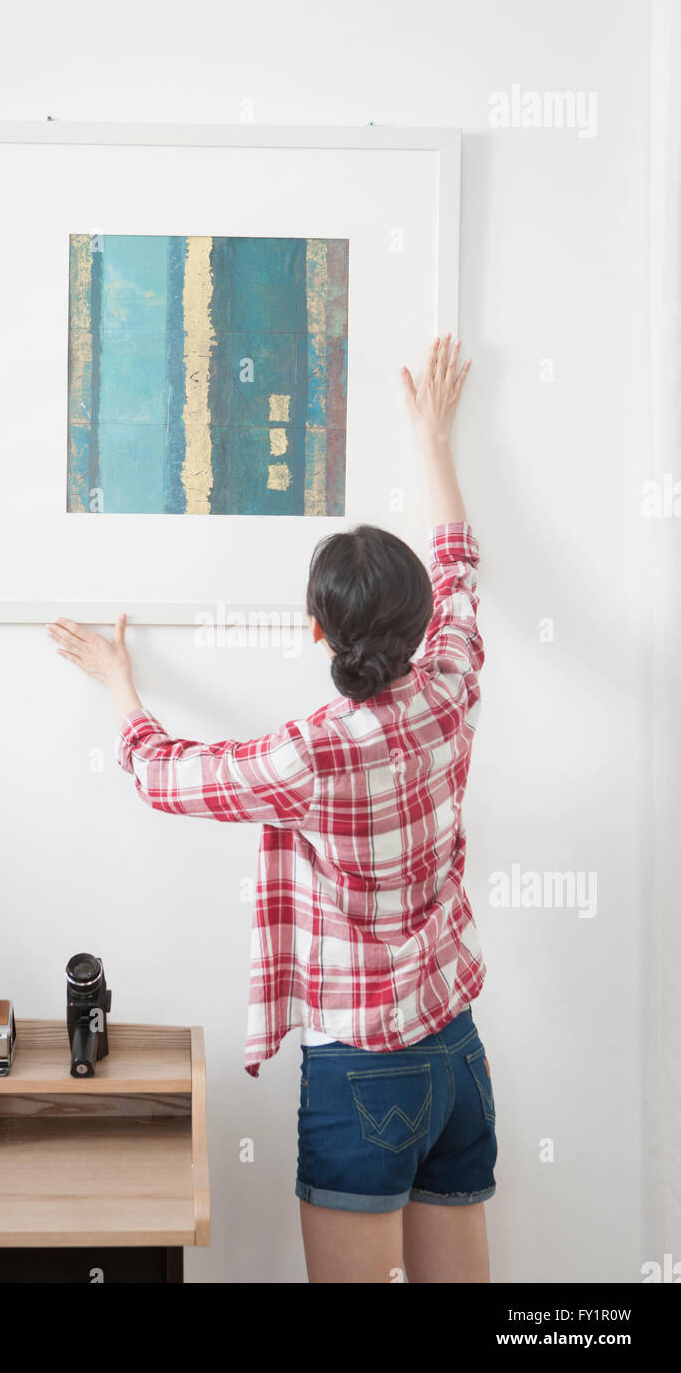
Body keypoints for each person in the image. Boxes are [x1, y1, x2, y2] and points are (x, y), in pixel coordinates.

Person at [46, 333, 497, 1283]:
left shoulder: (310, 752)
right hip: (457, 1056)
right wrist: (434, 441)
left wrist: (119, 682)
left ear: (317, 628)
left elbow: (167, 775)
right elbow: (458, 569)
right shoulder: (453, 683)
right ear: (415, 625)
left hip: (362, 1072)